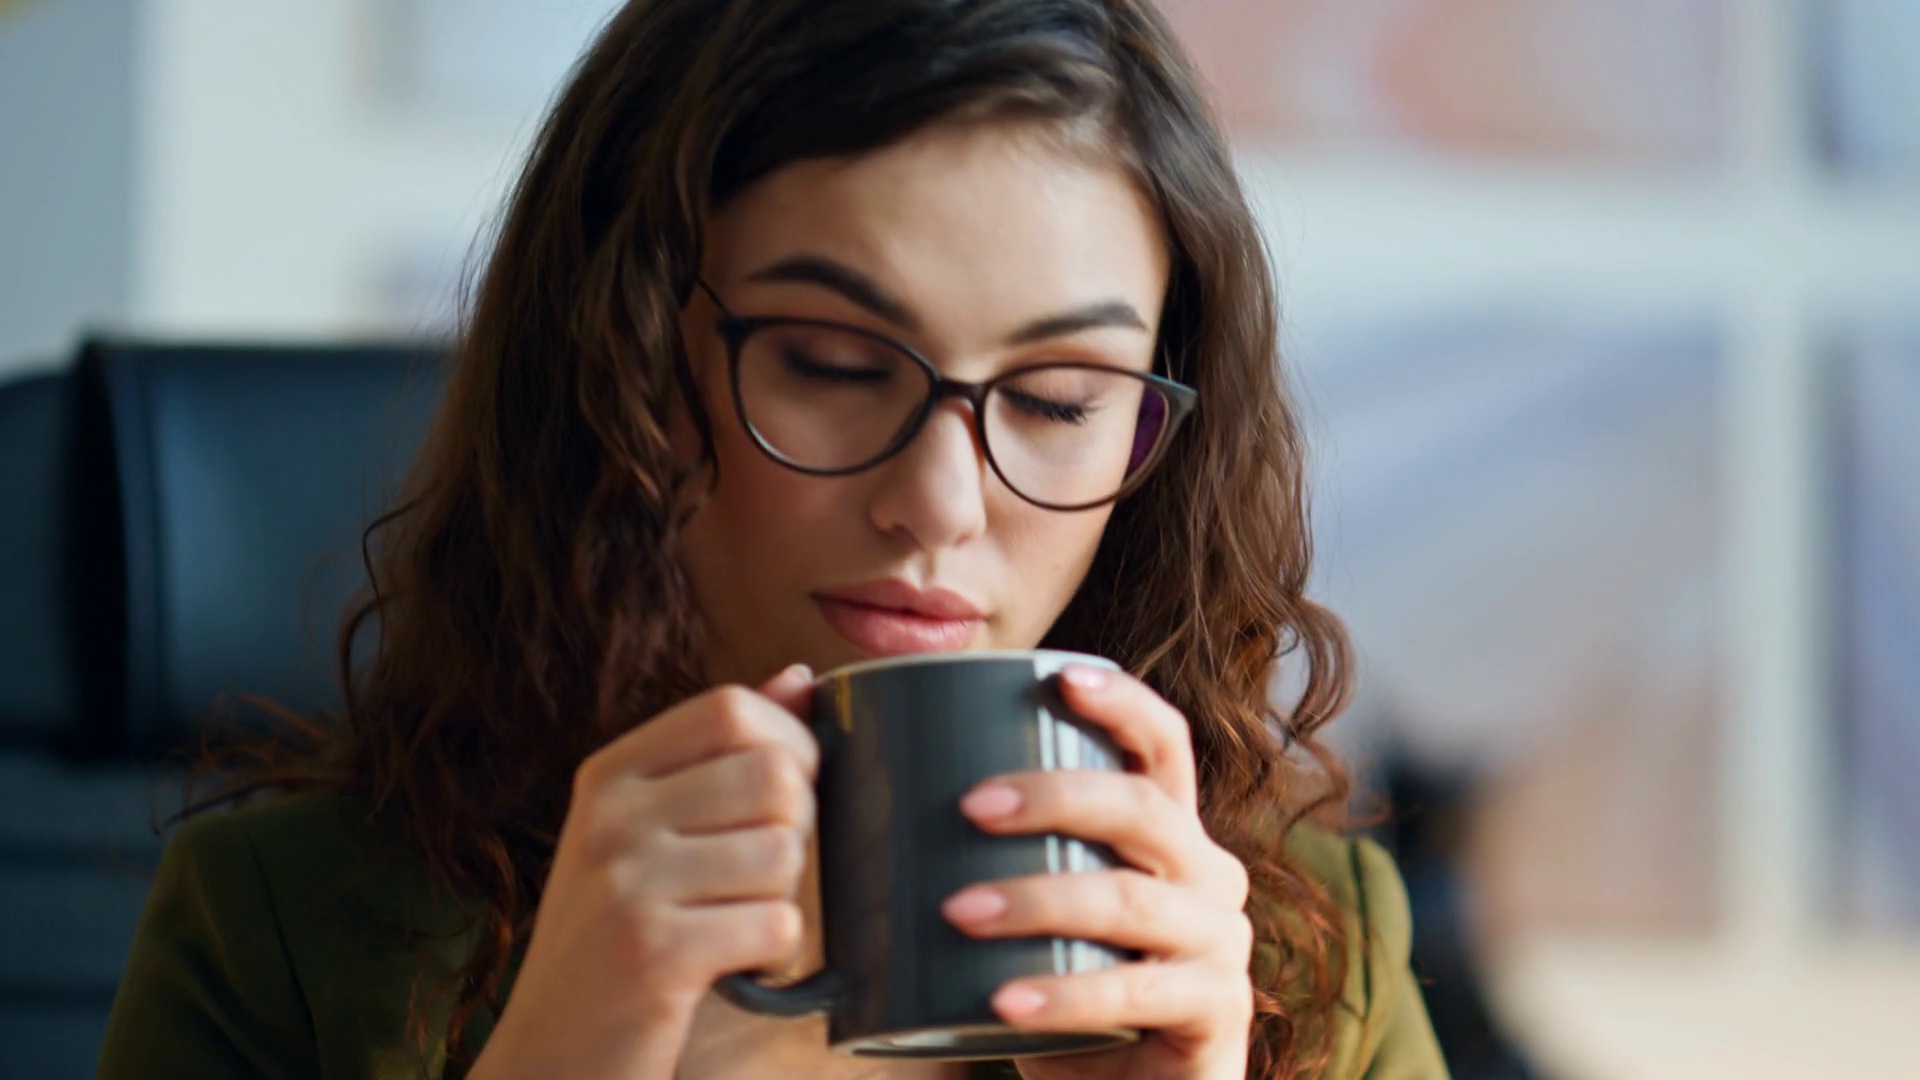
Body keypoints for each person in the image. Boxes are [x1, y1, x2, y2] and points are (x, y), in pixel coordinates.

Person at [96, 1, 1446, 1077]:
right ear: (622, 362)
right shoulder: (286, 932)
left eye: (1057, 400)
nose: (942, 503)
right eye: (831, 364)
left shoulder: (1303, 962)